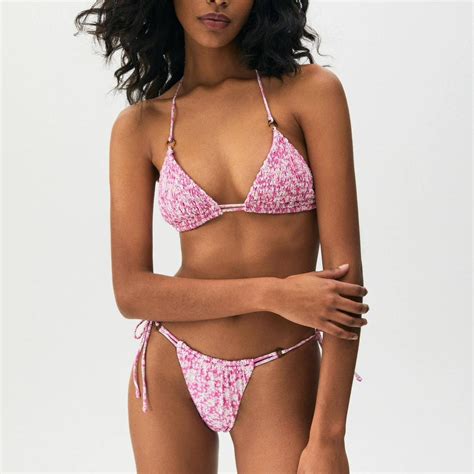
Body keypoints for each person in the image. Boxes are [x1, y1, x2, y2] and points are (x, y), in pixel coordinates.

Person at [75, 0, 370, 472]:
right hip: (171, 369)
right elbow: (131, 292)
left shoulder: (311, 93)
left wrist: (329, 438)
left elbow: (345, 285)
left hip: (280, 367)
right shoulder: (141, 126)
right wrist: (274, 293)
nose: (217, 0)